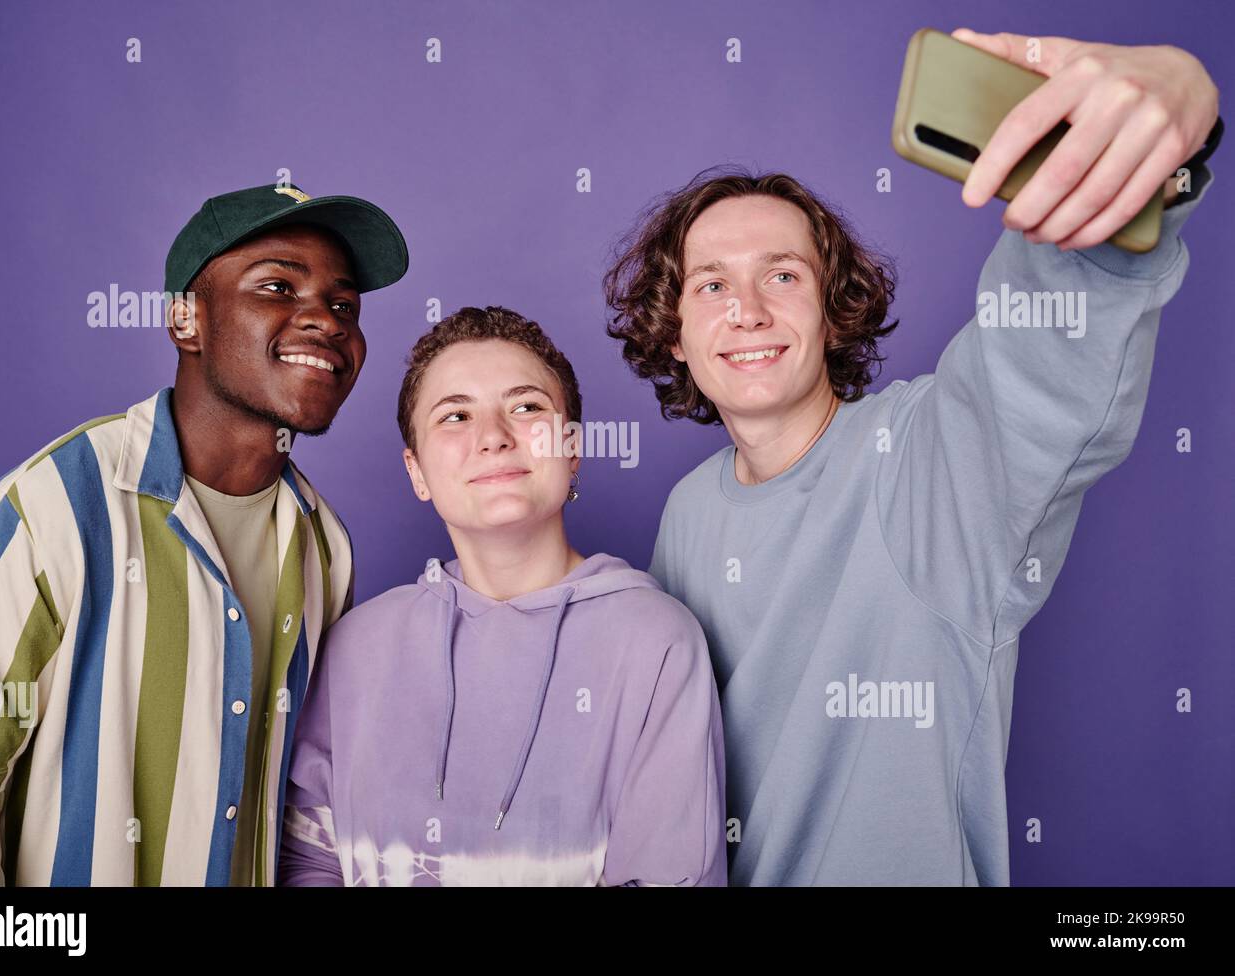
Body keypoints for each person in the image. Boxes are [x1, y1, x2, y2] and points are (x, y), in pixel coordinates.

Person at [602, 30, 1221, 884]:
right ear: (676, 336)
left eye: (782, 275)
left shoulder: (931, 455)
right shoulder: (686, 513)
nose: (745, 309)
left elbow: (1048, 343)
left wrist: (1166, 126)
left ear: (834, 310)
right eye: (711, 284)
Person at [0, 181, 408, 885]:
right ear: (186, 320)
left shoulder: (324, 546)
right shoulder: (51, 507)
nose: (327, 321)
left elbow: (300, 805)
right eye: (278, 287)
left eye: (344, 305)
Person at [278, 306, 726, 886]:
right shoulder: (353, 648)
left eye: (526, 407)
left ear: (572, 449)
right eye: (455, 415)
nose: (493, 437)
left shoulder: (657, 641)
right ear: (417, 471)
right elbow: (309, 859)